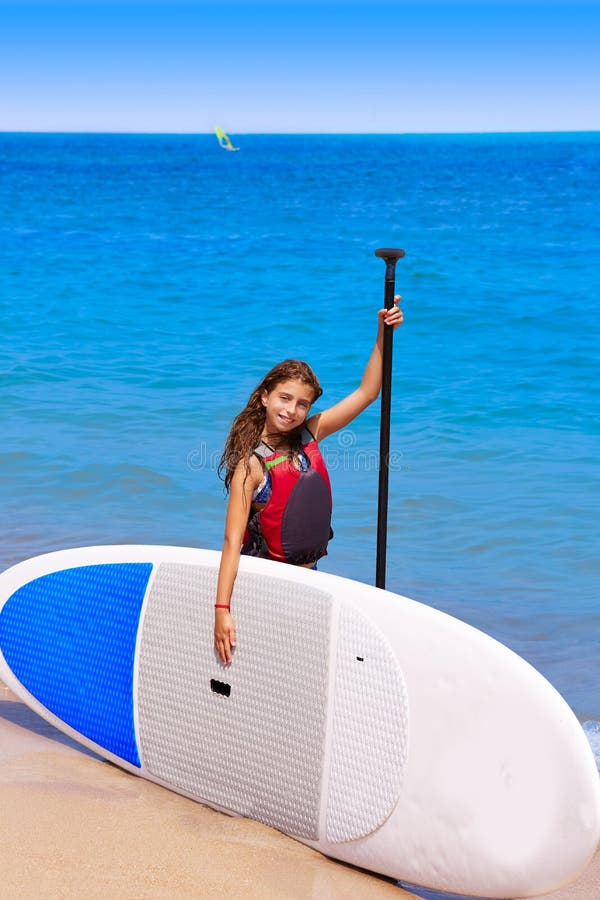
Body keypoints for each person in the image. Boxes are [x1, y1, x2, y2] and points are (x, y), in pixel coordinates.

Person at [214, 296, 403, 664]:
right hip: (265, 583)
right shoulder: (250, 467)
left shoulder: (310, 434)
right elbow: (231, 540)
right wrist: (222, 609)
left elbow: (367, 393)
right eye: (284, 398)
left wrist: (383, 333)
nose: (292, 410)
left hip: (310, 578)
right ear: (265, 397)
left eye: (302, 404)